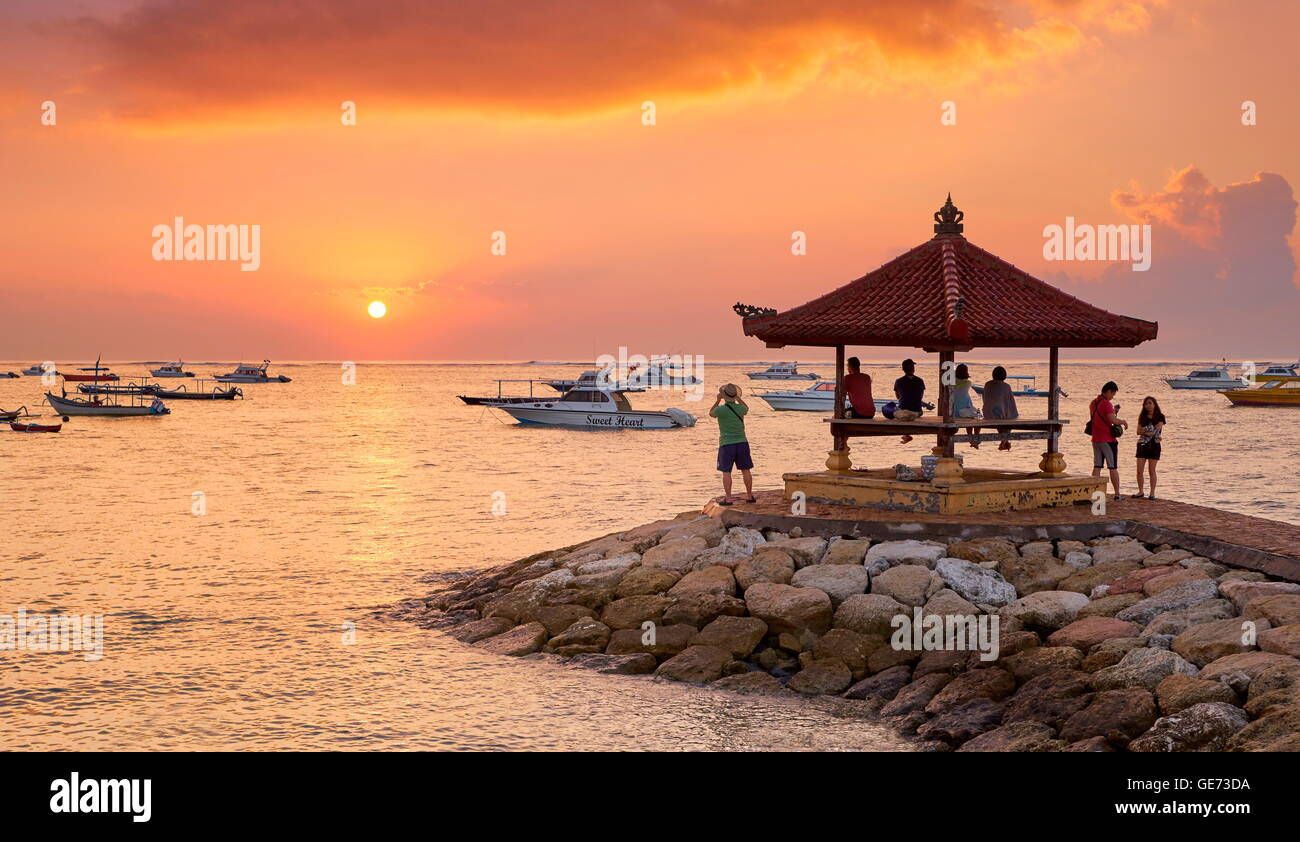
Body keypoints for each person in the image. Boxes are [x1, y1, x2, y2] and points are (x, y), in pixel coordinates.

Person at [710, 383, 754, 505]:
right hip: (742, 442)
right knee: (746, 470)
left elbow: (711, 413)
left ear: (724, 396)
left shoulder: (720, 410)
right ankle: (750, 496)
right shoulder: (740, 409)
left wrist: (718, 400)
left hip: (726, 444)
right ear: (735, 396)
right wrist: (738, 399)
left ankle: (728, 498)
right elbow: (746, 407)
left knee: (727, 472)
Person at [1089, 381, 1128, 499]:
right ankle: (1117, 494)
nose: (1112, 397)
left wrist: (1113, 412)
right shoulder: (1106, 404)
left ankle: (1094, 493)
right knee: (1112, 467)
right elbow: (1113, 421)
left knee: (1097, 466)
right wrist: (1123, 422)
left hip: (1096, 439)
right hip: (1107, 440)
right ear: (1108, 391)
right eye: (1113, 394)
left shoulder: (1093, 403)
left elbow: (1098, 418)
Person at [980, 366, 1019, 451]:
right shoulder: (1006, 386)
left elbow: (985, 399)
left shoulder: (987, 384)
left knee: (1000, 414)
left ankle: (1004, 441)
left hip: (988, 414)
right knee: (1009, 416)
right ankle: (1005, 440)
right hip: (999, 414)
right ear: (1004, 375)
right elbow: (1010, 401)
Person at [1134, 396, 1166, 500]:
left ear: (1154, 404)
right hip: (1142, 445)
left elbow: (1158, 428)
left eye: (1150, 403)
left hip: (1154, 445)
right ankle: (1140, 491)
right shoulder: (1142, 417)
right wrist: (1147, 431)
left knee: (1152, 470)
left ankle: (1152, 493)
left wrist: (1147, 431)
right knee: (1139, 470)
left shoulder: (1160, 416)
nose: (1148, 405)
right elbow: (1138, 431)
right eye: (1146, 404)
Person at [893, 359, 926, 443]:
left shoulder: (898, 381)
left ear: (903, 369)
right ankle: (906, 435)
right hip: (918, 412)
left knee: (896, 411)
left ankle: (906, 435)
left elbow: (898, 397)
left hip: (904, 411)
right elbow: (920, 397)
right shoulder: (920, 381)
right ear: (913, 369)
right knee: (907, 414)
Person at [951, 363, 980, 447]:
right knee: (977, 417)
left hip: (954, 412)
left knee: (970, 416)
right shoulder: (968, 383)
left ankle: (971, 438)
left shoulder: (951, 383)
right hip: (964, 411)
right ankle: (975, 437)